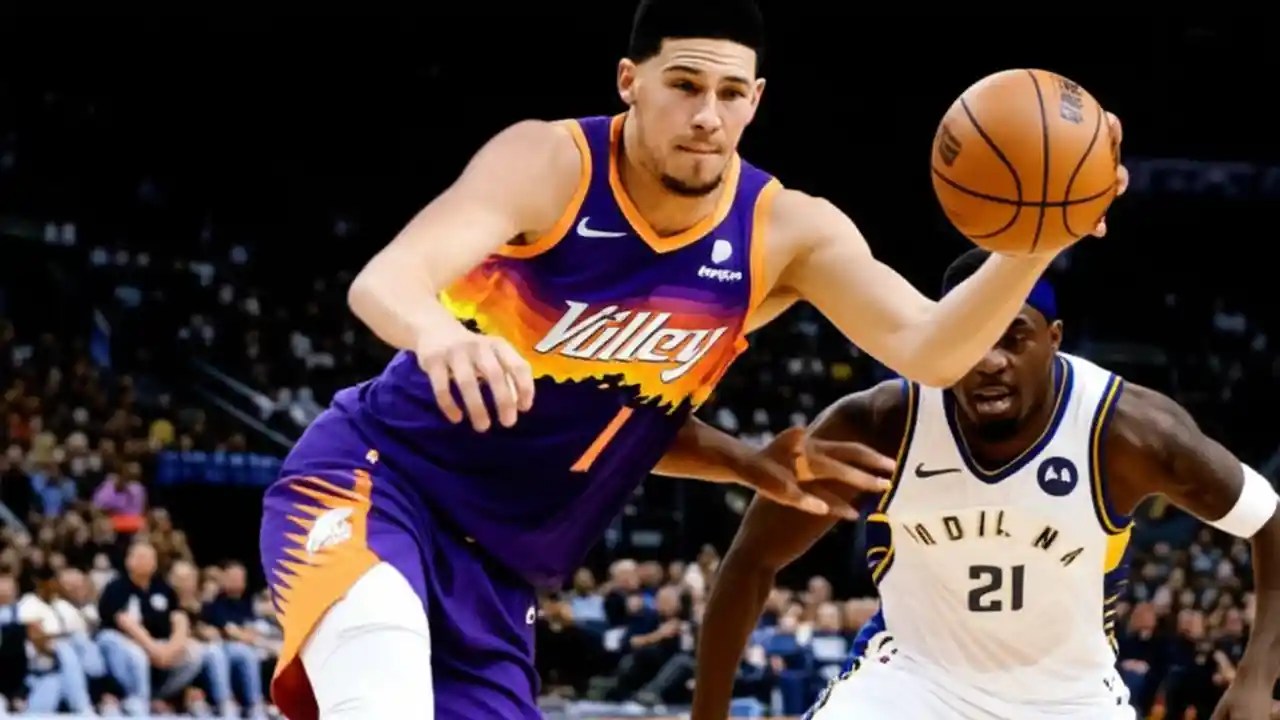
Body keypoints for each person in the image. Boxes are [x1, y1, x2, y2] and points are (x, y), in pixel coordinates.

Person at [259, 2, 1129, 719]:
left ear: (755, 100)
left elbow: (931, 351)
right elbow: (388, 281)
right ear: (630, 82)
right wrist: (441, 333)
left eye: (728, 93)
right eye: (683, 86)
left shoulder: (785, 231)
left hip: (503, 568)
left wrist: (1036, 241)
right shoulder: (549, 163)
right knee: (381, 694)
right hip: (379, 484)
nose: (707, 115)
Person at [691, 248, 1280, 720]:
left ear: (1053, 337)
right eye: (970, 338)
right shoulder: (881, 423)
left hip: (1070, 698)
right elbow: (750, 562)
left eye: (1012, 336)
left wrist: (1259, 677)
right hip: (911, 682)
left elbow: (1270, 521)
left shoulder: (1126, 431)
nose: (987, 360)